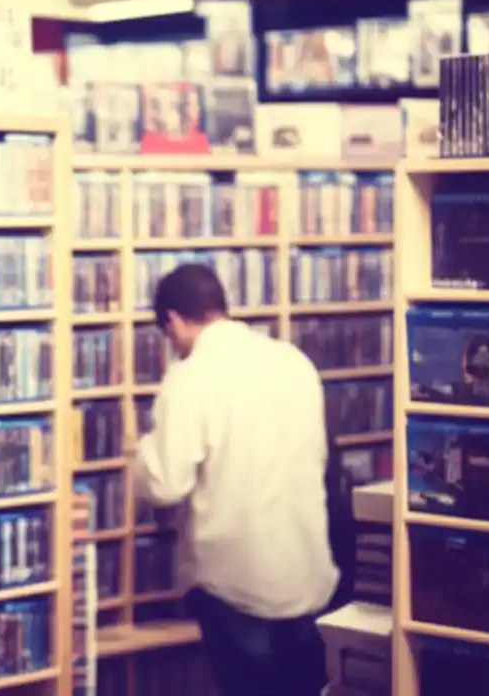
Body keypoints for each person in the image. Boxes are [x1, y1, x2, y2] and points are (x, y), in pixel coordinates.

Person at [134, 263, 338, 696]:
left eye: (168, 335)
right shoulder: (293, 362)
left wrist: (137, 452)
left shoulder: (190, 379)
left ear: (173, 321)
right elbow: (319, 458)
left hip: (236, 585)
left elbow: (165, 484)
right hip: (307, 573)